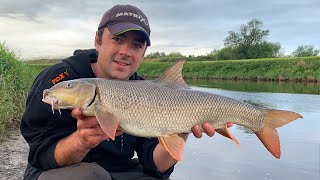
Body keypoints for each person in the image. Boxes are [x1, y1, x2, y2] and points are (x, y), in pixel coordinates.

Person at [20, 4, 231, 180]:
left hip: (118, 172)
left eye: (136, 45)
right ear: (97, 40)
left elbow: (155, 165)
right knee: (89, 175)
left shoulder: (145, 91)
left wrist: (182, 129)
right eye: (118, 39)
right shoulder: (60, 77)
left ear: (143, 53)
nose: (125, 52)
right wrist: (82, 140)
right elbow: (40, 155)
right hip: (54, 173)